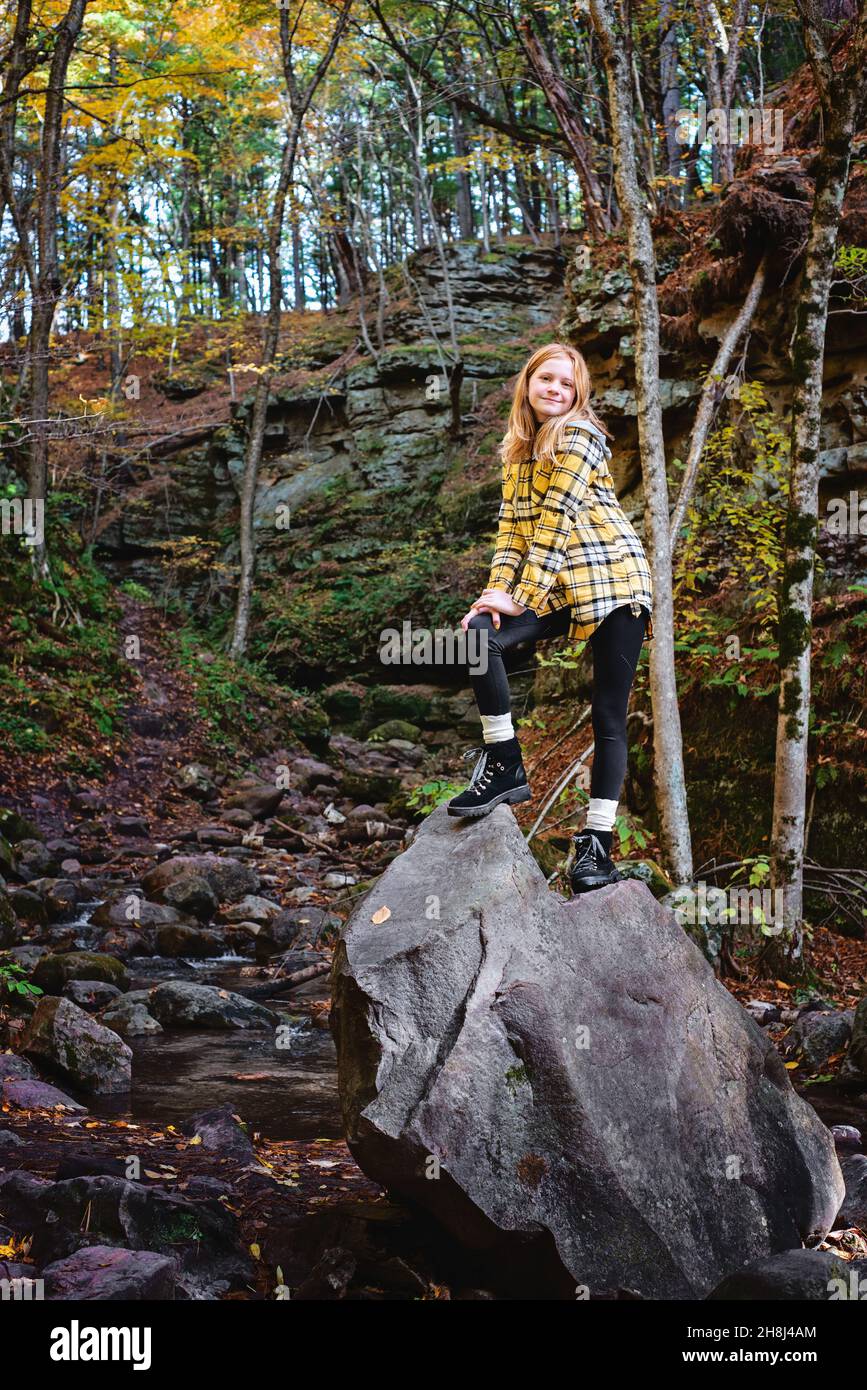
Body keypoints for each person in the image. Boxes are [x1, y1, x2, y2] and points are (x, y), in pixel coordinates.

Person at [446, 341, 654, 895]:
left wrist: (522, 597)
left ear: (577, 394)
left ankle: (595, 848)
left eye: (568, 384)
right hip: (559, 584)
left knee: (608, 714)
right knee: (477, 637)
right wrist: (493, 596)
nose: (557, 390)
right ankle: (505, 761)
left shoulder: (581, 438)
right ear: (529, 384)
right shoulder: (517, 450)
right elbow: (513, 534)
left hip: (614, 580)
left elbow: (557, 522)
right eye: (548, 380)